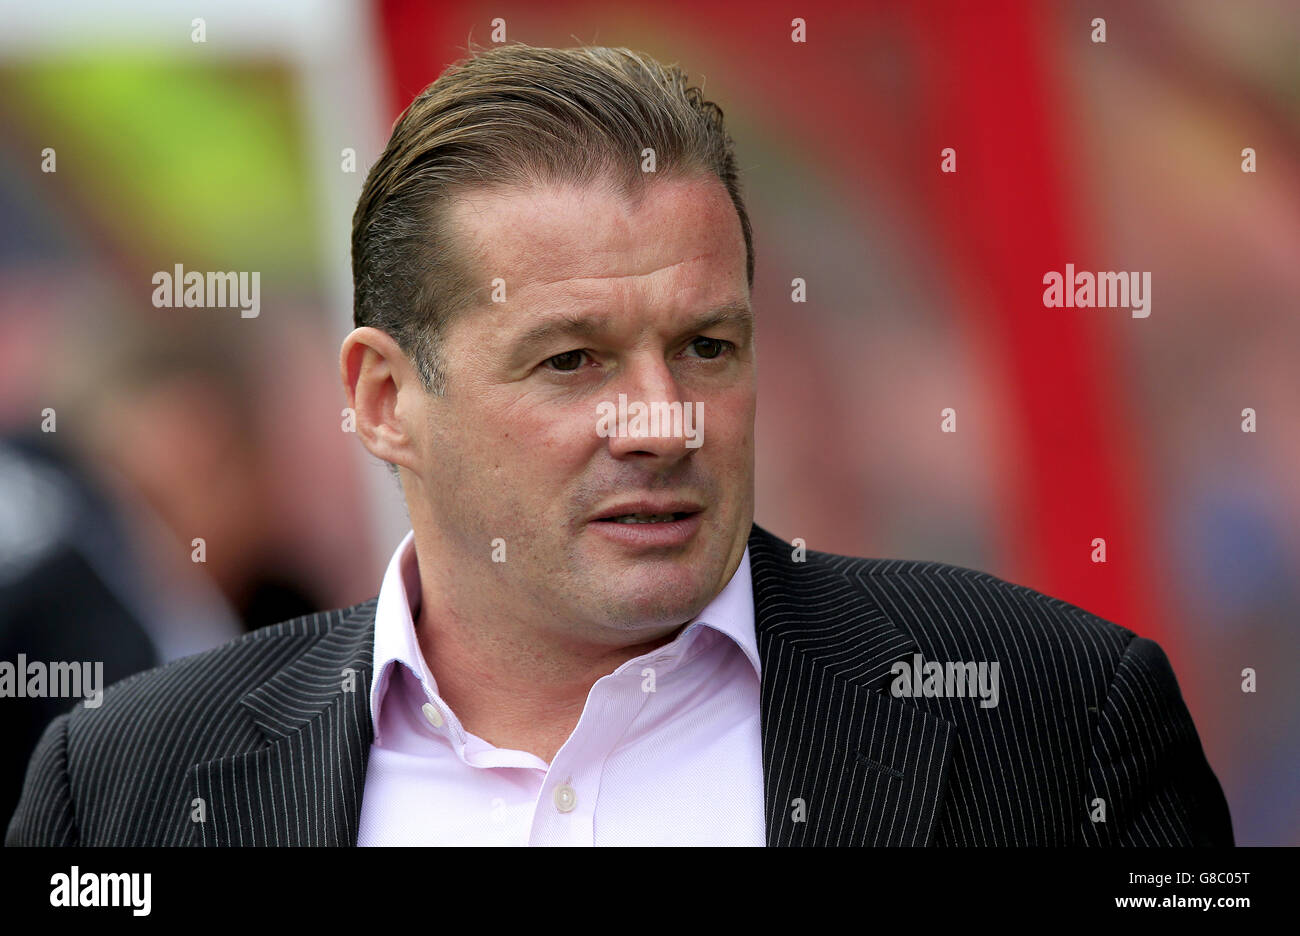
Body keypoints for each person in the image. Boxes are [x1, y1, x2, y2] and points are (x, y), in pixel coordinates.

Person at [6, 42, 1232, 846]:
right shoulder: (125, 791)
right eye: (571, 360)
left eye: (705, 346)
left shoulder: (1056, 717)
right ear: (384, 400)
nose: (660, 422)